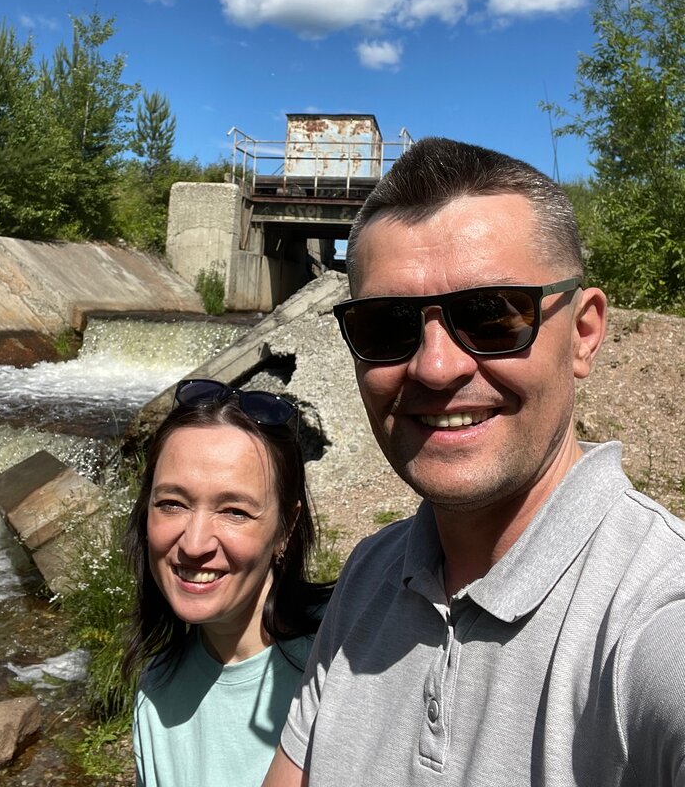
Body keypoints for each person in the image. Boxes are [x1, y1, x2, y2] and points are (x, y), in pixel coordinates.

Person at [263, 137, 685, 787]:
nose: (435, 367)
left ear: (584, 332)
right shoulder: (369, 576)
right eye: (386, 326)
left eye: (491, 316)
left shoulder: (650, 611)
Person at [123, 377, 332, 787]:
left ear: (285, 529)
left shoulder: (348, 654)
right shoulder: (156, 694)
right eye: (172, 504)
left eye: (234, 511)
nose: (195, 543)